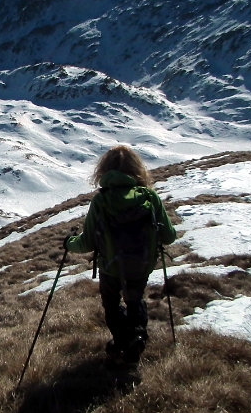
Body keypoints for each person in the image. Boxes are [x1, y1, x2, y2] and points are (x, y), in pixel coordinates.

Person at [63, 145, 175, 363]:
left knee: (112, 304)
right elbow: (169, 236)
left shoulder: (101, 201)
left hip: (110, 266)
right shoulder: (149, 197)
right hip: (142, 264)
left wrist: (69, 243)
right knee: (135, 299)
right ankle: (137, 335)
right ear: (137, 169)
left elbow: (86, 242)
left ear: (103, 170)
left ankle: (123, 341)